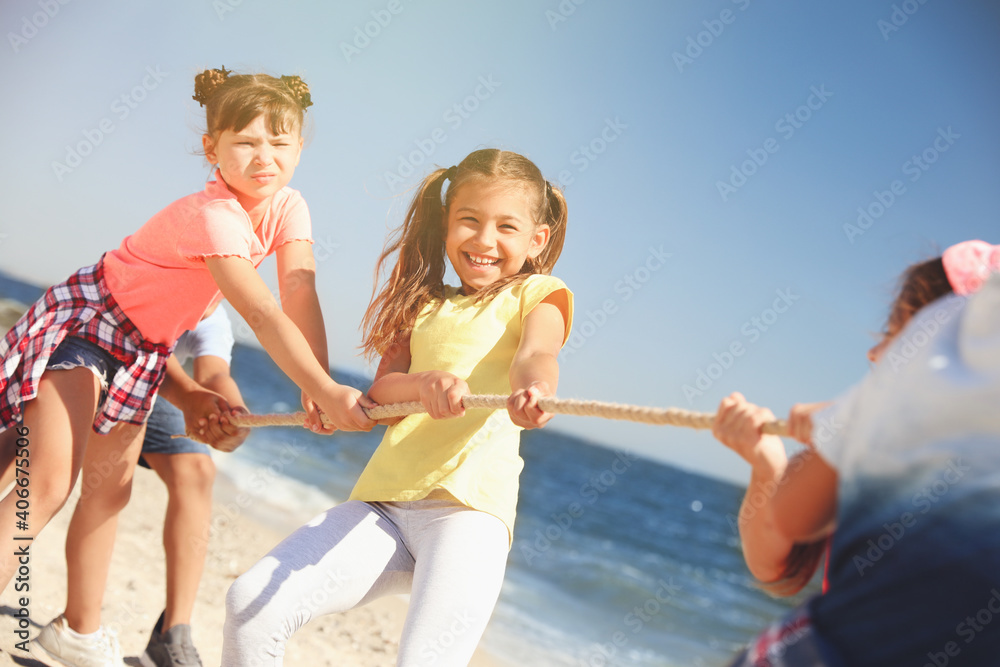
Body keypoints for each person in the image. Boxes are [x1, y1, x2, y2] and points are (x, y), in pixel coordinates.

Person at [0, 67, 374, 665]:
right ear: (212, 149)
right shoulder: (214, 215)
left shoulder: (288, 207)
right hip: (88, 323)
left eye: (280, 143)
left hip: (144, 351)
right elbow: (260, 309)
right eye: (246, 142)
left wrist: (316, 387)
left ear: (300, 148)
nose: (264, 157)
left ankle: (75, 632)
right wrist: (327, 390)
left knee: (110, 492)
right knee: (45, 483)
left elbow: (299, 289)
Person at [222, 148, 572, 666]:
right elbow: (381, 392)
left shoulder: (538, 293)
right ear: (446, 222)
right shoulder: (425, 303)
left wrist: (536, 390)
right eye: (469, 221)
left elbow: (537, 354)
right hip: (384, 505)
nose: (484, 240)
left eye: (506, 227)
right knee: (250, 603)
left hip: (468, 513)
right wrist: (424, 383)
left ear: (536, 239)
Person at [713, 240, 1000, 665]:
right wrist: (767, 464)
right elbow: (777, 564)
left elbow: (791, 518)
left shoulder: (879, 413)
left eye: (892, 331)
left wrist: (848, 426)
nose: (872, 351)